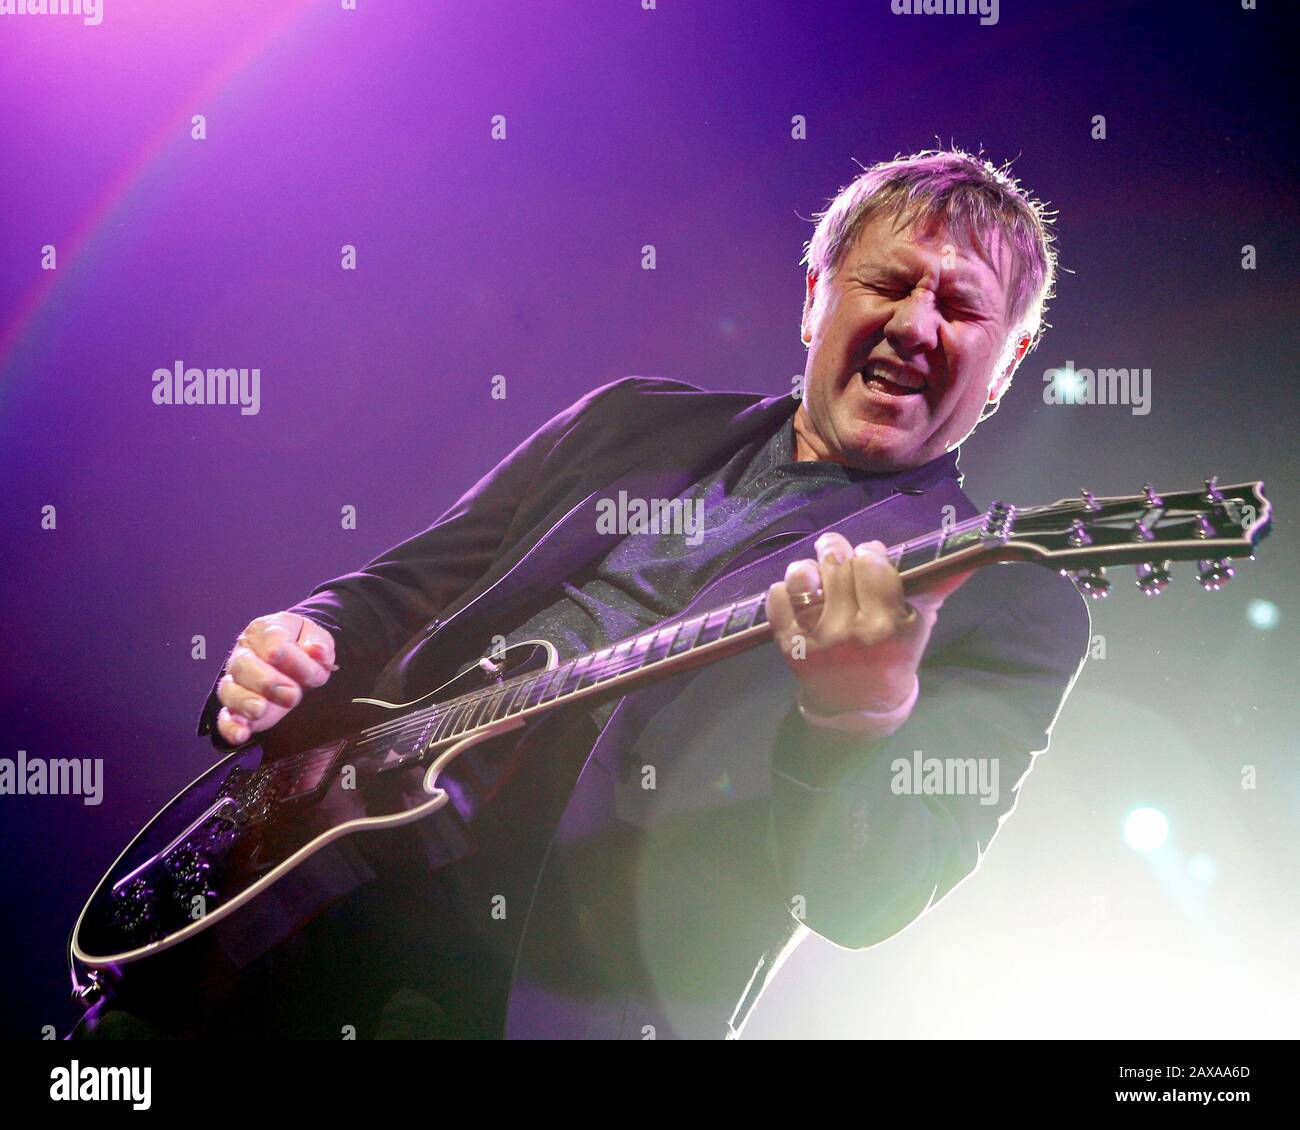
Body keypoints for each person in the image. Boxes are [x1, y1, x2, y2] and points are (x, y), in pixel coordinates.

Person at [100, 148, 1091, 1040]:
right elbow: (397, 592)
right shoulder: (627, 421)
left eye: (960, 307)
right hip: (263, 903)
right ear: (813, 297)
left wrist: (857, 713)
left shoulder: (1005, 595)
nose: (916, 323)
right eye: (888, 281)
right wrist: (298, 638)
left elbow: (868, 895)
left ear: (1006, 365)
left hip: (500, 999)